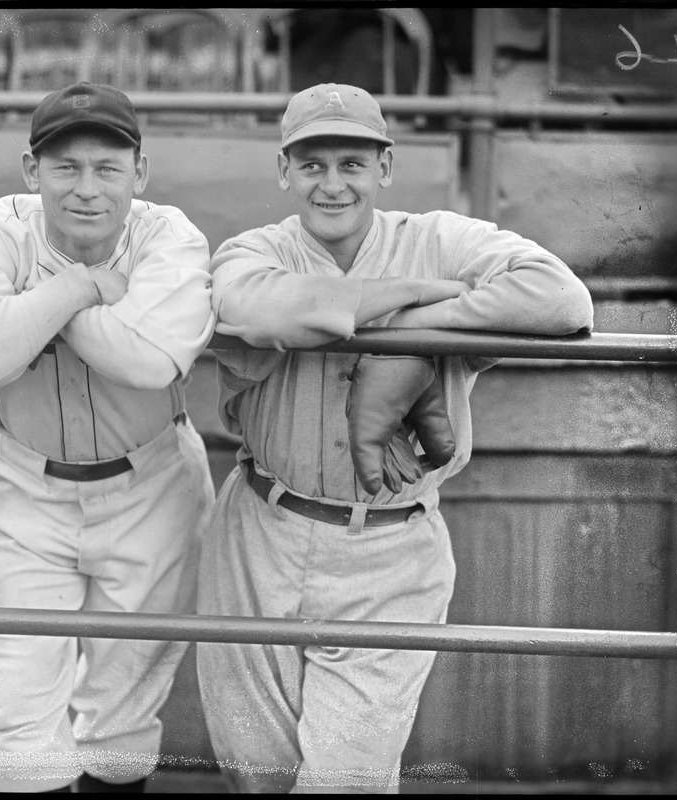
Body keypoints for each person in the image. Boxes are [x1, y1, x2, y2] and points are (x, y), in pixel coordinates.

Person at [195, 83, 594, 793]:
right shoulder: (254, 249)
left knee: (344, 783)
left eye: (352, 163)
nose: (332, 183)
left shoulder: (440, 238)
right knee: (255, 776)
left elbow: (562, 299)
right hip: (260, 529)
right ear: (284, 171)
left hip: (389, 545)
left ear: (384, 167)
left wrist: (415, 350)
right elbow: (260, 307)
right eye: (312, 164)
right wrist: (410, 312)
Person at [0, 81, 216, 793]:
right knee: (20, 722)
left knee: (122, 716)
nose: (88, 188)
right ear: (32, 170)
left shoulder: (168, 234)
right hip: (21, 487)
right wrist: (76, 289)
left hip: (152, 486)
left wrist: (20, 317)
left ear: (139, 173)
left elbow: (149, 360)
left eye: (108, 168)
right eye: (66, 167)